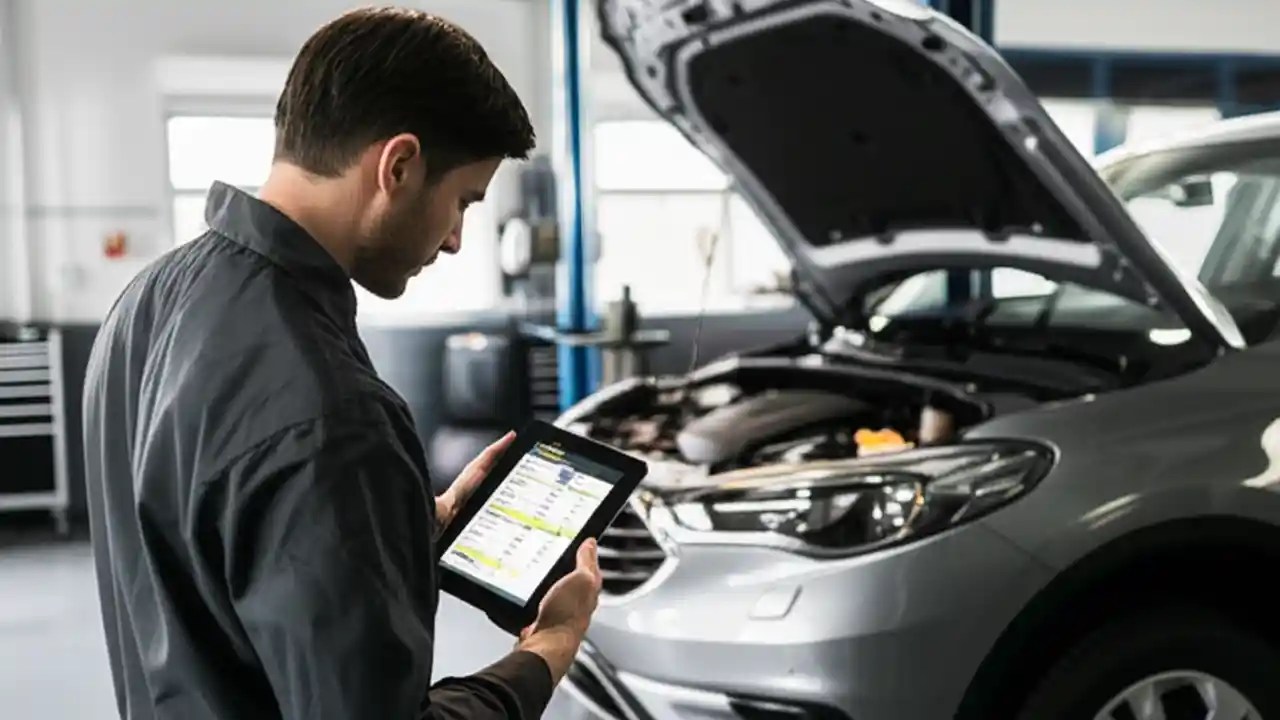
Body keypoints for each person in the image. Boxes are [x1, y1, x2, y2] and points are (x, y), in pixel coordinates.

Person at [81, 7, 601, 719]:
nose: (453, 240)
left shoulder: (145, 302)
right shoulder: (333, 411)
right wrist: (546, 653)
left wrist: (403, 528)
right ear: (399, 165)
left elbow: (211, 555)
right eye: (461, 203)